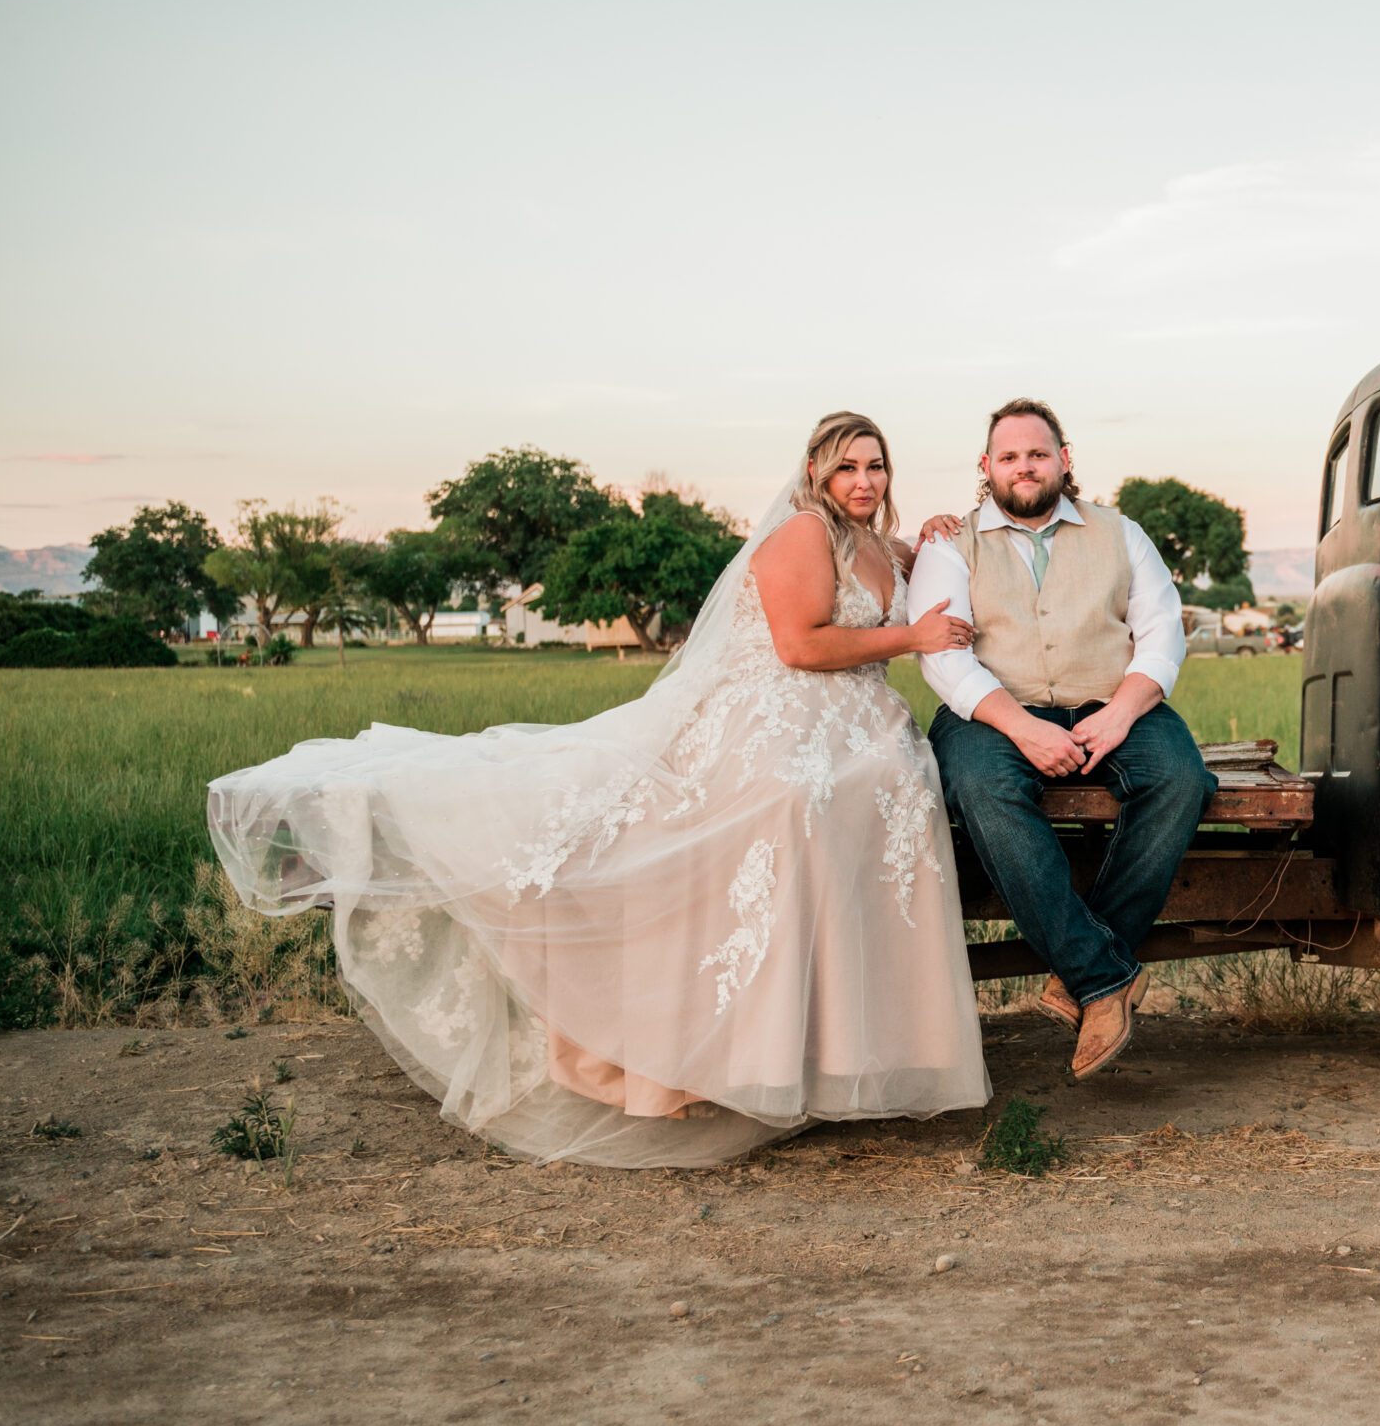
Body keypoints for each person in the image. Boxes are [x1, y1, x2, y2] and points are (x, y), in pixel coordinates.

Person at [206, 415, 990, 1167]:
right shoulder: (804, 534)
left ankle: (830, 1056)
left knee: (849, 841)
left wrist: (937, 535)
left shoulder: (878, 543)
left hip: (860, 732)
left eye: (875, 464)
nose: (863, 478)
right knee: (738, 829)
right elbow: (798, 643)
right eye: (846, 464)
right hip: (779, 720)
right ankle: (702, 1055)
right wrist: (911, 638)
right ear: (815, 471)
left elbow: (937, 573)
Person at [909, 398, 1216, 1080]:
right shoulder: (947, 543)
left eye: (1038, 453)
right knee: (985, 787)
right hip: (990, 709)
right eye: (1010, 456)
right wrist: (1021, 726)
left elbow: (1163, 630)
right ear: (987, 468)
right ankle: (1103, 977)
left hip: (1109, 698)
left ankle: (1079, 973)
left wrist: (1122, 712)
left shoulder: (1121, 532)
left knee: (1180, 778)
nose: (1025, 466)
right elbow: (945, 657)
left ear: (1064, 459)